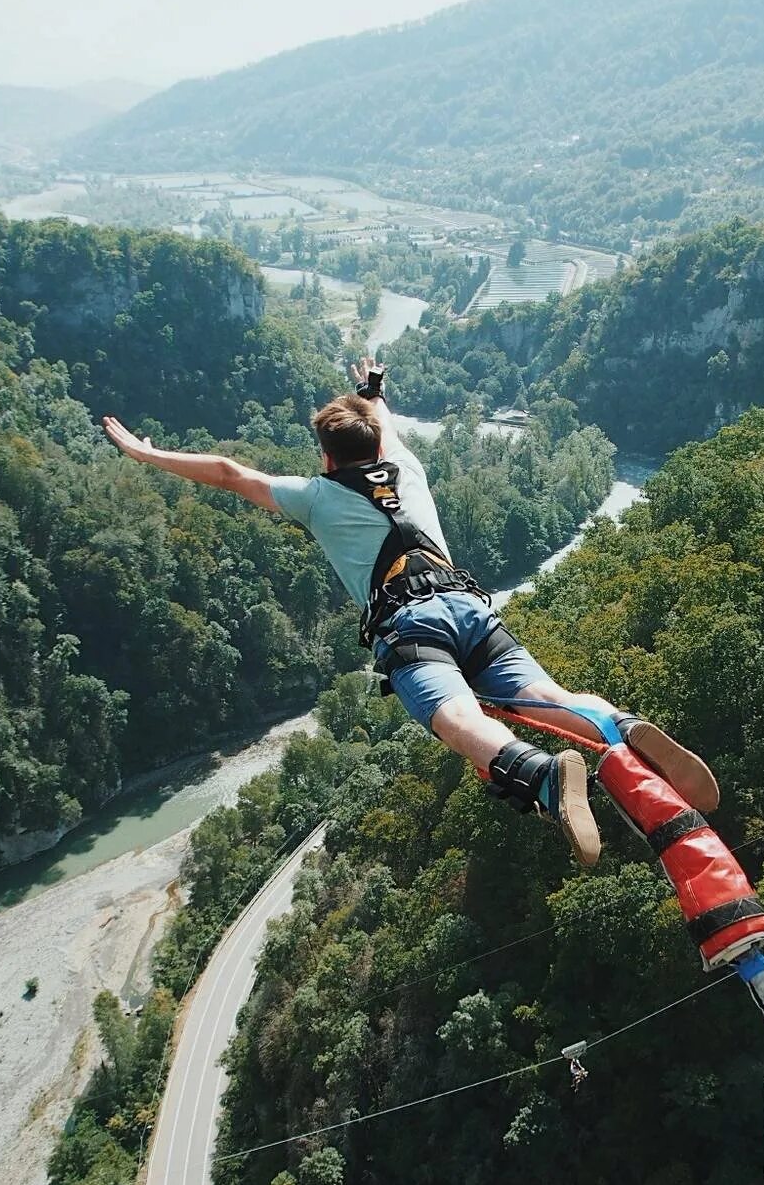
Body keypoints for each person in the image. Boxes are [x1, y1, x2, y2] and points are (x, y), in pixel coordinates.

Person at [101, 359, 718, 868]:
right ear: (373, 444)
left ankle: (541, 777)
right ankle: (620, 726)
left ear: (326, 458)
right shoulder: (408, 468)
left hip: (412, 627)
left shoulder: (315, 496)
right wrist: (374, 393)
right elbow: (387, 427)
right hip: (474, 612)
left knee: (451, 716)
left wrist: (147, 456)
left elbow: (230, 473)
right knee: (544, 695)